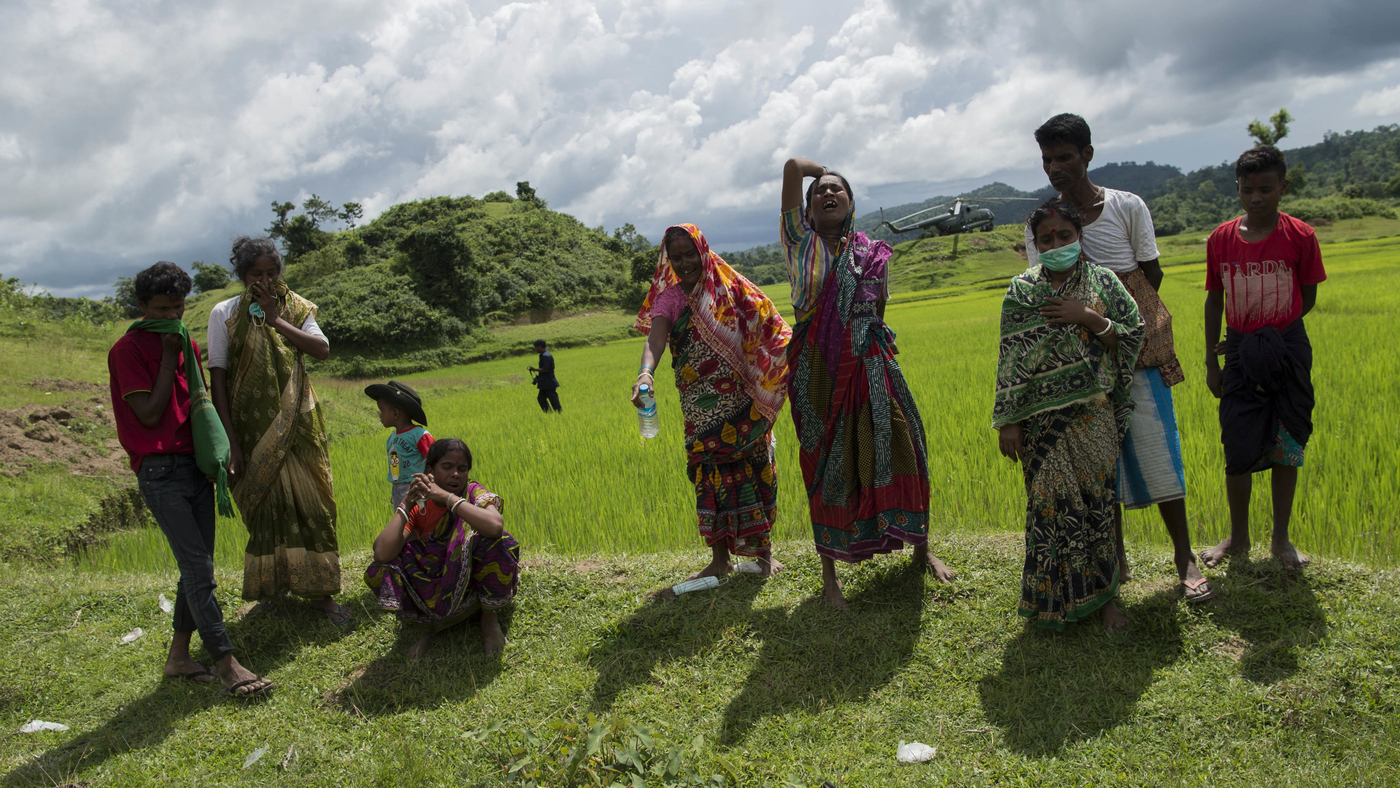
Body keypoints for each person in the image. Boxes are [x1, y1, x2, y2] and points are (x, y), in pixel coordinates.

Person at [1027, 113, 1212, 603]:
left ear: (1087, 154)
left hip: (1134, 347)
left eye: (1064, 156)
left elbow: (1150, 275)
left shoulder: (1127, 206)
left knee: (1157, 448)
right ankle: (1117, 559)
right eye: (1047, 159)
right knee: (1099, 462)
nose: (1055, 167)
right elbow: (1044, 289)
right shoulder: (1046, 221)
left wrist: (1115, 323)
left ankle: (1184, 557)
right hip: (1078, 358)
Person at [780, 158, 954, 608]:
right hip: (819, 370)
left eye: (838, 189)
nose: (829, 194)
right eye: (820, 192)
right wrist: (821, 168)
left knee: (905, 444)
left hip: (872, 364)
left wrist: (867, 355)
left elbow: (878, 314)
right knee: (825, 464)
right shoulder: (800, 242)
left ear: (852, 202)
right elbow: (792, 167)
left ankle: (922, 550)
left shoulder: (873, 252)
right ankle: (830, 577)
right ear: (807, 209)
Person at [109, 262, 272, 697]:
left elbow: (199, 407)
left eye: (179, 308)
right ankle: (227, 663)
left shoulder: (185, 343)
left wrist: (221, 454)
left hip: (197, 465)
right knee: (198, 568)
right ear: (141, 306)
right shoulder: (128, 351)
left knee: (195, 568)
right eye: (162, 308)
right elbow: (149, 411)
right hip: (160, 471)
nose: (172, 317)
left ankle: (179, 658)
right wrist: (166, 359)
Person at [995, 201, 1145, 631]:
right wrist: (1009, 421)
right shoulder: (1021, 292)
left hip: (1093, 416)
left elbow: (1132, 334)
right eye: (1047, 239)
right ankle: (1053, 602)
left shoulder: (1104, 281)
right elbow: (1011, 359)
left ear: (1078, 237)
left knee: (1098, 507)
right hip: (1042, 424)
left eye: (1064, 236)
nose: (1057, 244)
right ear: (1036, 245)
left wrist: (1090, 318)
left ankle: (1106, 600)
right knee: (1049, 509)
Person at [631, 224, 792, 578]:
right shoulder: (670, 299)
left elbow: (770, 325)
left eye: (690, 254)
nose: (685, 263)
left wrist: (790, 355)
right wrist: (646, 373)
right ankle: (720, 561)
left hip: (742, 402)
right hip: (699, 409)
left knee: (756, 471)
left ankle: (763, 557)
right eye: (676, 258)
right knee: (709, 477)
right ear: (668, 261)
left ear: (703, 251)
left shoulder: (731, 288)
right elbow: (655, 341)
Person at [207, 236, 349, 624]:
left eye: (272, 272)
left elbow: (320, 350)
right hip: (249, 429)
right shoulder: (224, 313)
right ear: (242, 276)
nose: (266, 280)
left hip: (299, 424)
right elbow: (217, 377)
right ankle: (274, 590)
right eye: (257, 274)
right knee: (266, 508)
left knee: (314, 506)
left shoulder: (296, 306)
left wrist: (275, 319)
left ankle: (321, 593)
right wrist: (229, 440)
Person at [1201, 145, 1326, 572]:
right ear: (1237, 189)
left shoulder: (1301, 236)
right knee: (1236, 443)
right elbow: (1214, 299)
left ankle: (1281, 539)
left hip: (1287, 348)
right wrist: (1212, 361)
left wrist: (1269, 337)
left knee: (1287, 441)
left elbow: (1305, 297)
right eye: (1248, 189)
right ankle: (1238, 537)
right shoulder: (1220, 239)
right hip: (1237, 350)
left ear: (1283, 188)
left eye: (1266, 189)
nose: (1257, 197)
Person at [365, 438, 520, 661]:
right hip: (437, 582)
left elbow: (495, 527)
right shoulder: (419, 508)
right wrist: (408, 502)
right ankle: (427, 626)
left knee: (498, 542)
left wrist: (449, 499)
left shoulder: (473, 493)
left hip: (470, 582)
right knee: (389, 565)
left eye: (462, 468)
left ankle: (489, 618)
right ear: (430, 470)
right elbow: (381, 553)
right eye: (447, 467)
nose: (455, 474)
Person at [528, 339, 561, 413]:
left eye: (536, 347)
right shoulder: (544, 355)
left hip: (548, 383)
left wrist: (534, 369)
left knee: (553, 400)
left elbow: (546, 369)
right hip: (545, 383)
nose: (535, 349)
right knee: (541, 399)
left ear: (540, 346)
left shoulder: (545, 356)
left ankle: (559, 414)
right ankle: (550, 414)